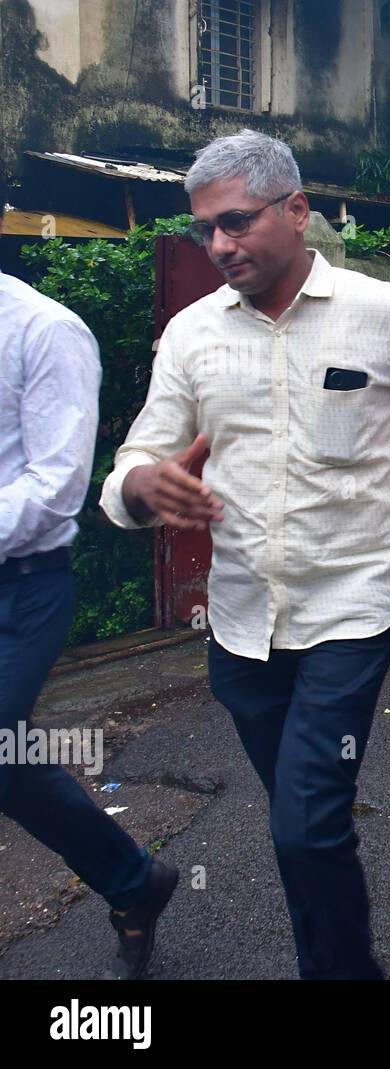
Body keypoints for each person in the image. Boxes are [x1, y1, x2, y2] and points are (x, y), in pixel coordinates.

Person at [100, 130, 390, 979]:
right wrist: (142, 489)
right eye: (206, 229)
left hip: (351, 608)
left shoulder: (386, 314)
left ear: (297, 210)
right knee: (305, 822)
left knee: (306, 822)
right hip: (239, 629)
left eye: (236, 222)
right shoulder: (192, 334)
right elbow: (133, 463)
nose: (220, 245)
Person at [1, 176, 177, 979]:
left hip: (23, 585)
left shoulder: (45, 331)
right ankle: (135, 881)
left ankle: (133, 879)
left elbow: (55, 488)